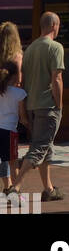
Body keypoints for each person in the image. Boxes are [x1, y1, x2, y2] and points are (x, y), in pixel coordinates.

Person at [12, 11, 64, 201]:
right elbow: (57, 78)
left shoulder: (31, 48)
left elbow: (22, 82)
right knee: (39, 148)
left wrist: (23, 110)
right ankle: (15, 186)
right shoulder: (55, 47)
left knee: (45, 147)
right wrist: (59, 105)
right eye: (58, 26)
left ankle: (48, 189)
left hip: (33, 105)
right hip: (47, 106)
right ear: (53, 26)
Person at [0, 60, 27, 191]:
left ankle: (7, 187)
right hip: (9, 131)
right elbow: (23, 118)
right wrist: (31, 127)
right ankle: (15, 192)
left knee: (2, 162)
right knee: (13, 164)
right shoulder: (19, 93)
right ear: (16, 75)